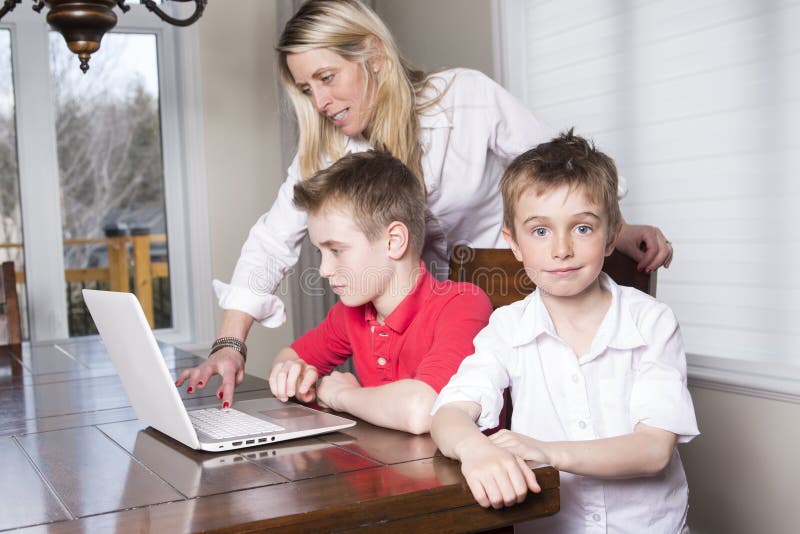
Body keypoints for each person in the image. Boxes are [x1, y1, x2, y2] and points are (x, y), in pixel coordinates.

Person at [184, 0, 673, 407]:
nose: (320, 102)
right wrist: (230, 344)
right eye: (307, 89)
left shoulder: (465, 96)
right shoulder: (326, 153)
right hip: (415, 322)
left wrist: (618, 229)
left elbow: (560, 172)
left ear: (374, 54)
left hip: (511, 294)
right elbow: (271, 241)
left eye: (328, 77)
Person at [430, 131, 699, 532]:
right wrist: (475, 450)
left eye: (582, 228)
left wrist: (545, 452)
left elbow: (653, 449)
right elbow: (449, 412)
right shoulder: (507, 327)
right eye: (540, 231)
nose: (561, 249)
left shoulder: (652, 322)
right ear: (514, 243)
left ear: (611, 236)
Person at [181, 150, 493, 434]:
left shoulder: (462, 305)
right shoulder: (351, 313)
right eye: (320, 252)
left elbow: (421, 411)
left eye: (336, 250)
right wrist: (293, 374)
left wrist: (341, 395)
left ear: (394, 241)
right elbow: (289, 357)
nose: (324, 269)